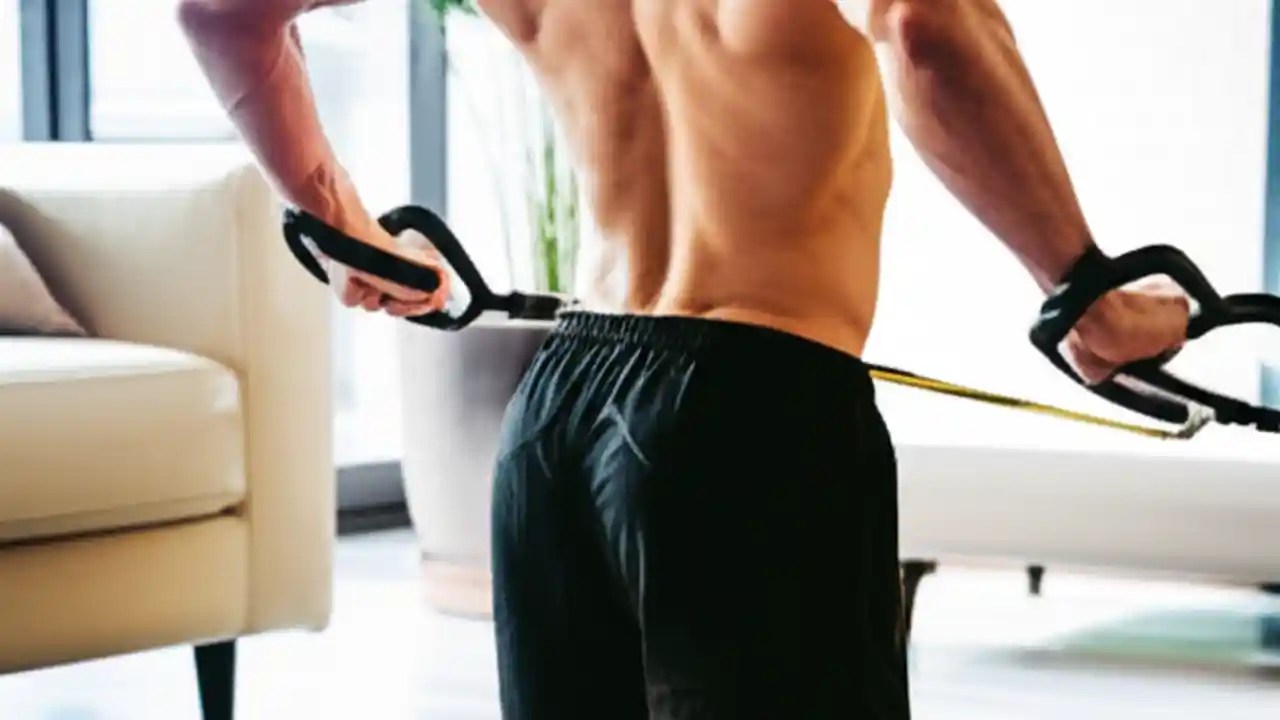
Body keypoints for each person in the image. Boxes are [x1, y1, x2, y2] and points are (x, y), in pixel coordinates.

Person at [180, 1, 1191, 717]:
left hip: (555, 424)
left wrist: (346, 225)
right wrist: (1084, 292)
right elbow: (924, 27)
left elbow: (222, 12)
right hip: (753, 417)